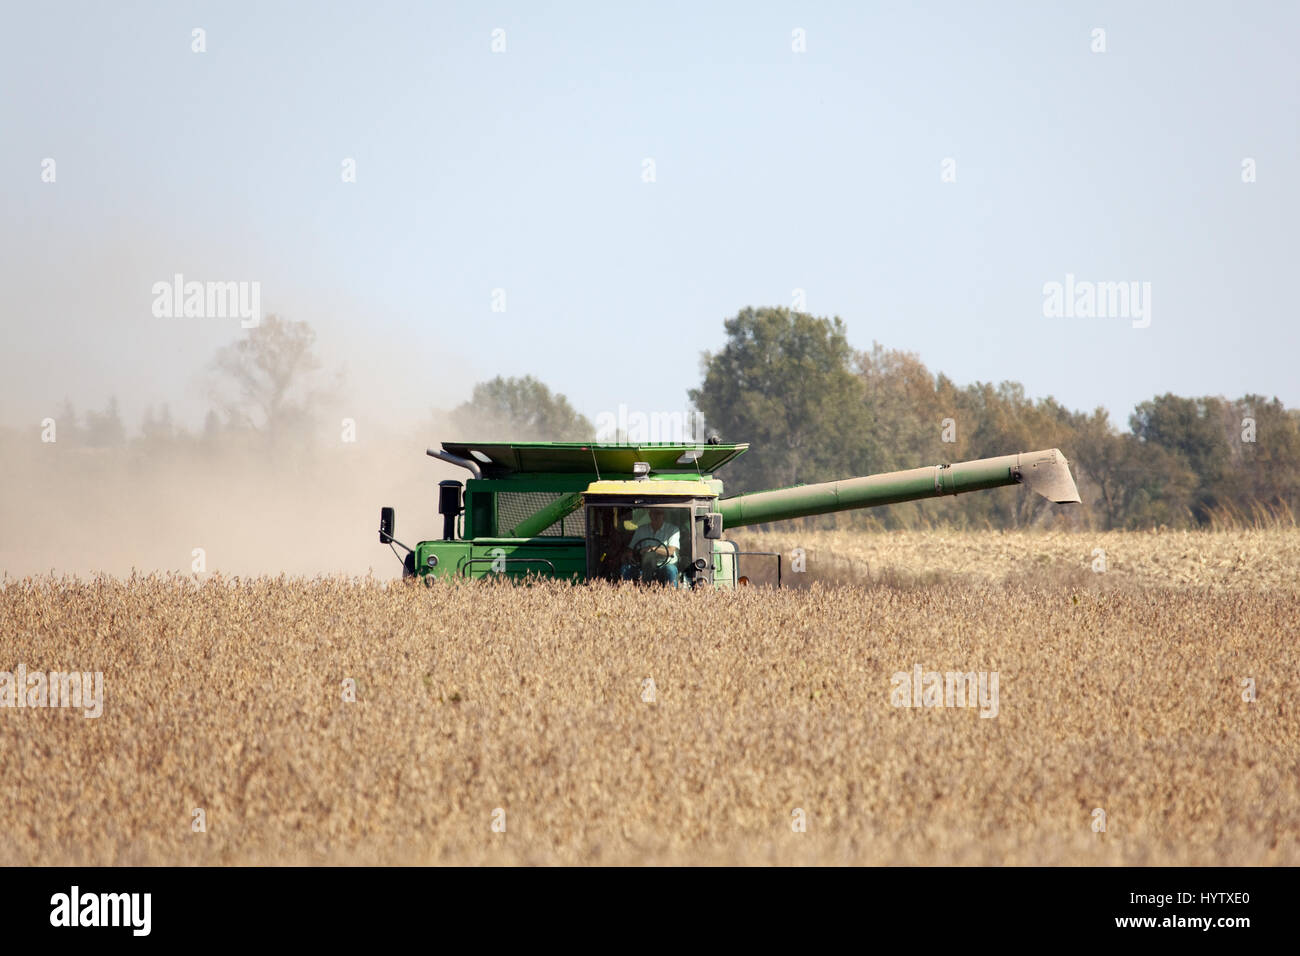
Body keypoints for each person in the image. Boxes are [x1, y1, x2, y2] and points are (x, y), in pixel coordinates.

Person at [620, 508, 680, 585]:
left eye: (659, 513)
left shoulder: (673, 530)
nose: (656, 516)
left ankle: (672, 594)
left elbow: (671, 551)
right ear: (650, 515)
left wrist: (651, 549)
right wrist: (630, 556)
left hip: (664, 565)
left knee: (670, 570)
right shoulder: (641, 530)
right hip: (642, 565)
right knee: (625, 568)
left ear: (663, 515)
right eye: (653, 513)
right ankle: (626, 593)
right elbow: (631, 549)